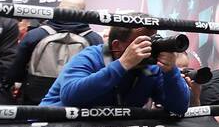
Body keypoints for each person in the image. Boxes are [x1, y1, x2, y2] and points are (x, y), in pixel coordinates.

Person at [40, 25, 190, 115]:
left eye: (153, 40)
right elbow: (70, 96)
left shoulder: (151, 68)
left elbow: (179, 108)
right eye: (142, 42)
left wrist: (171, 72)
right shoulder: (91, 56)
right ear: (117, 46)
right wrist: (122, 64)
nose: (150, 47)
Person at [1, 0, 104, 104]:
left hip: (35, 99)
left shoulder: (35, 35)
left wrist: (6, 85)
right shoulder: (95, 39)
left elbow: (15, 69)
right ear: (84, 13)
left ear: (58, 9)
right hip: (76, 100)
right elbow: (101, 74)